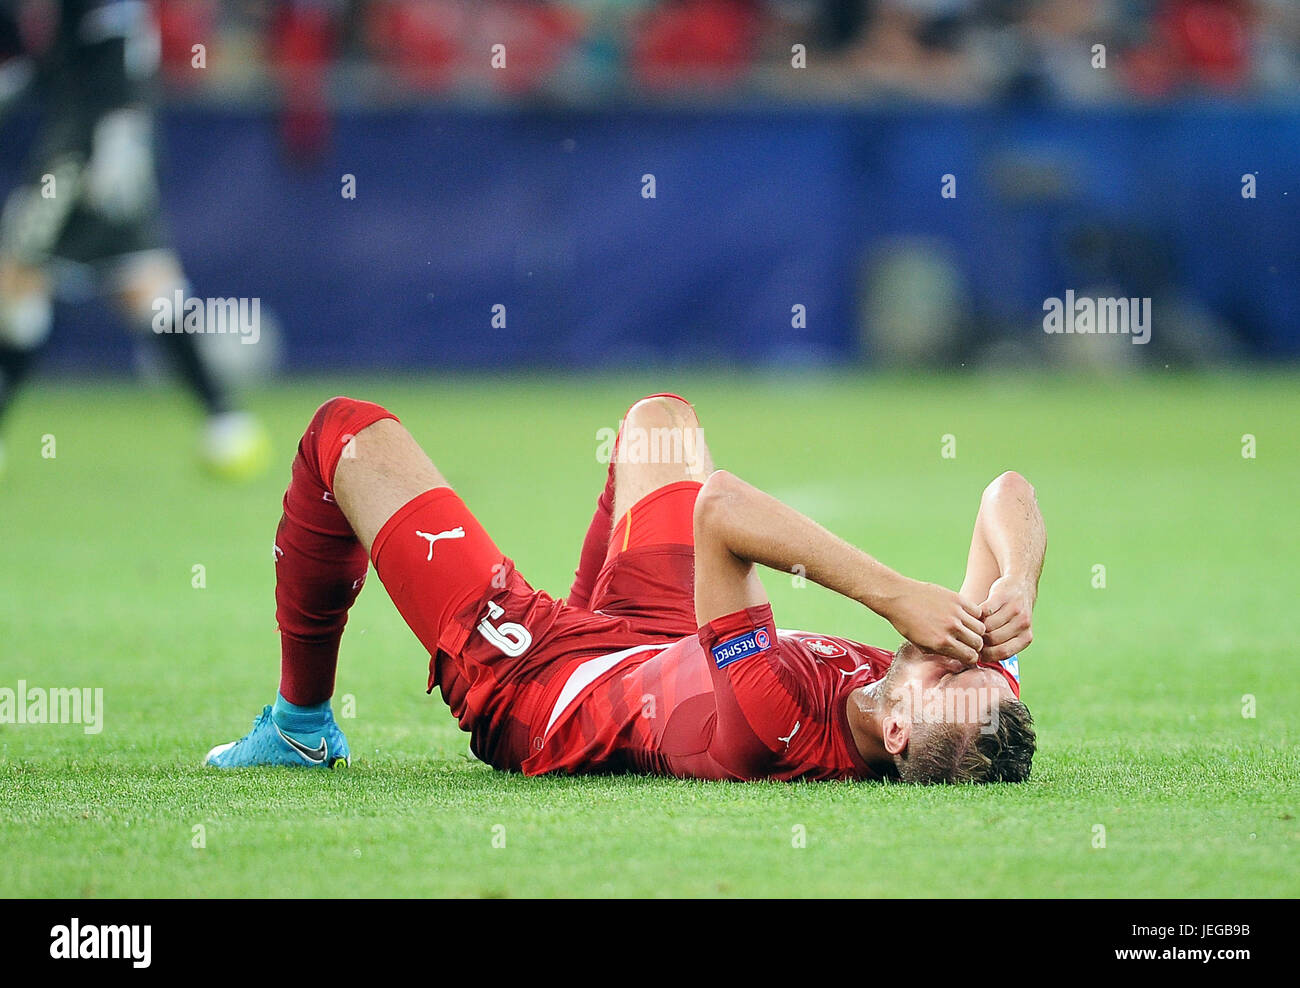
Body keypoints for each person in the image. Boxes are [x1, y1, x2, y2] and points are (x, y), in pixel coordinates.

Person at [206, 392, 1044, 783]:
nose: (948, 648)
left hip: (542, 690)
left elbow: (724, 510)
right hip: (664, 643)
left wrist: (893, 594)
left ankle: (301, 727)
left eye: (946, 673)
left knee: (344, 433)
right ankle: (589, 608)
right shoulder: (965, 698)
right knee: (662, 422)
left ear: (897, 733)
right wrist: (1018, 587)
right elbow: (1007, 494)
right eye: (978, 663)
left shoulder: (774, 726)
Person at [0, 0, 268, 479]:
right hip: (102, 142)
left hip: (82, 150)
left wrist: (118, 133)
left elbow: (113, 63)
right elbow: (73, 62)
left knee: (20, 281)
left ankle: (226, 420)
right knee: (145, 289)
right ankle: (226, 419)